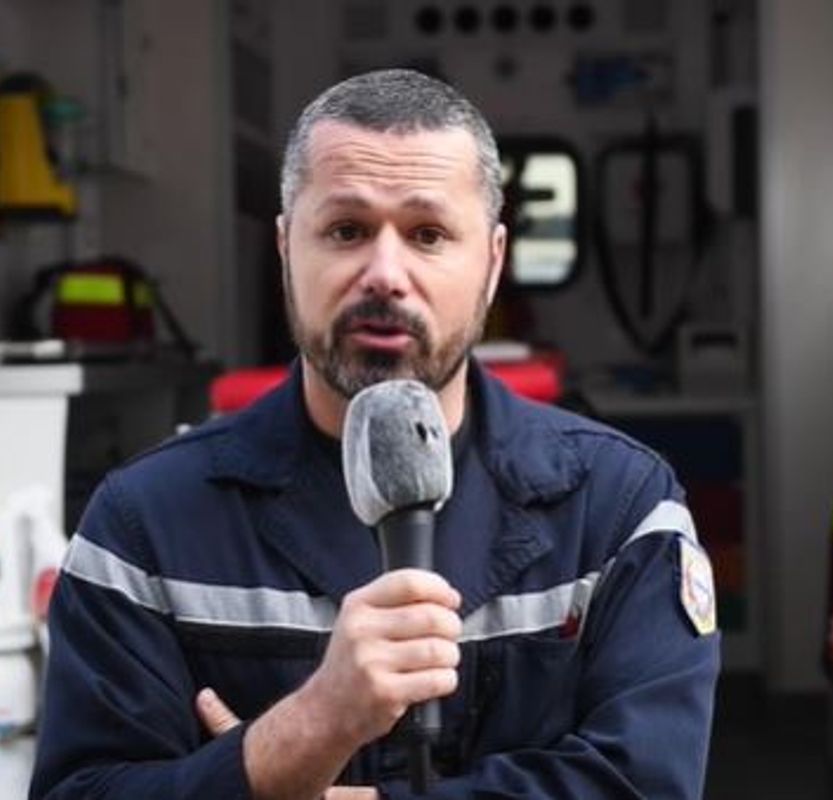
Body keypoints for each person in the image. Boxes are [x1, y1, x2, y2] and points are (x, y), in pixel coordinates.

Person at [30, 69, 720, 799]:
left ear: (491, 265)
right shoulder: (143, 528)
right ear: (287, 249)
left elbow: (644, 784)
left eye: (427, 234)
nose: (384, 273)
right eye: (347, 230)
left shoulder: (621, 512)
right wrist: (309, 727)